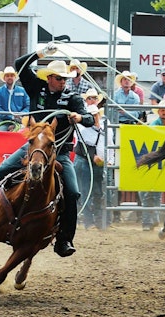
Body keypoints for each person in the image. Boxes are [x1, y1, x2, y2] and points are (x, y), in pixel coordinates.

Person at [0, 43, 94, 258]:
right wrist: (40, 53)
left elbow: (87, 118)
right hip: (33, 148)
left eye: (65, 79)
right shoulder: (36, 87)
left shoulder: (72, 99)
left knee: (73, 192)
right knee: (3, 169)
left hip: (59, 151)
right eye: (59, 78)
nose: (62, 82)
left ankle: (64, 239)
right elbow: (20, 64)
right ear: (49, 77)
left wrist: (78, 117)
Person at [74, 88, 107, 230]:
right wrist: (94, 156)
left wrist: (108, 159)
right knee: (85, 191)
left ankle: (99, 221)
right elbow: (81, 145)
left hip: (98, 163)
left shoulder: (105, 126)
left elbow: (110, 143)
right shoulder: (82, 127)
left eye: (96, 115)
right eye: (92, 115)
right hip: (85, 161)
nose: (94, 117)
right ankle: (88, 221)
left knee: (98, 192)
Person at [140, 100, 165, 230]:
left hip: (161, 160)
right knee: (148, 192)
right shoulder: (154, 125)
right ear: (158, 112)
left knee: (155, 192)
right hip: (155, 159)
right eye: (162, 110)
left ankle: (152, 220)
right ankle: (149, 221)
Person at [0, 66, 30, 131]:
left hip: (21, 121)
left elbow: (28, 106)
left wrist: (20, 114)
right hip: (4, 122)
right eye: (7, 76)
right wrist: (12, 116)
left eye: (12, 75)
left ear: (15, 77)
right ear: (4, 78)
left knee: (29, 133)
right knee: (2, 133)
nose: (10, 77)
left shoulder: (23, 91)